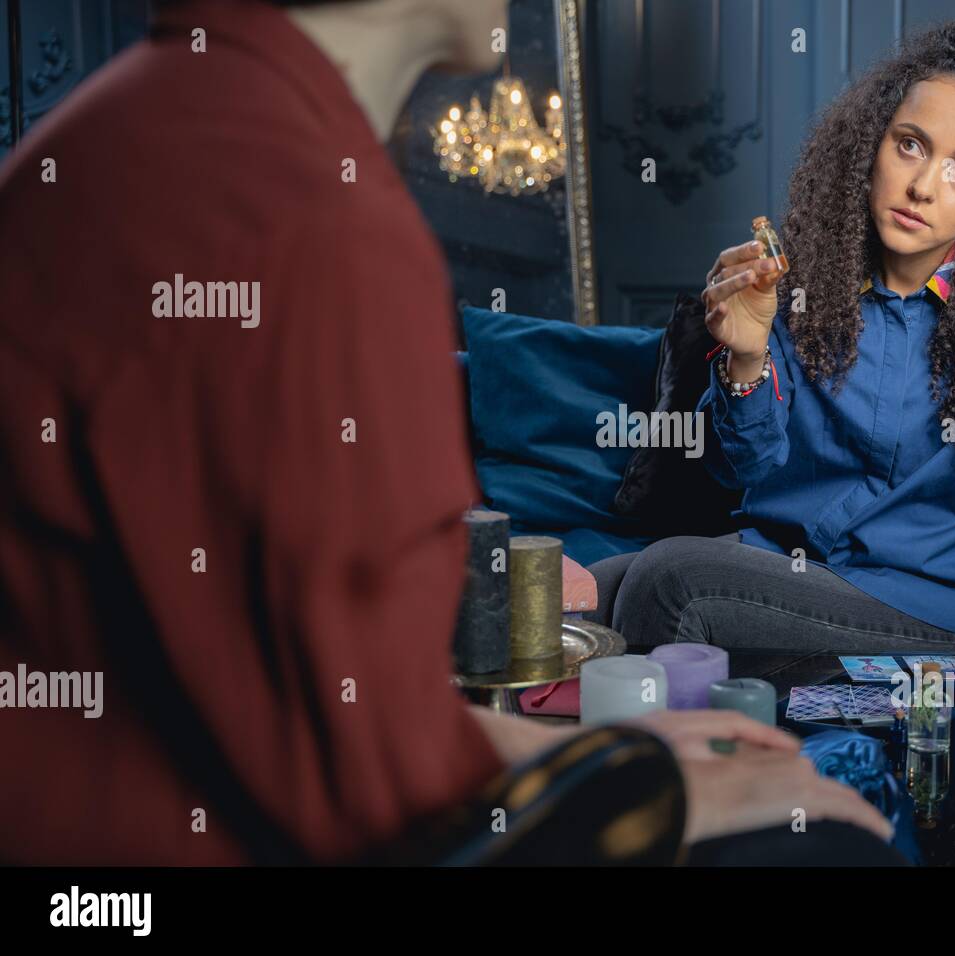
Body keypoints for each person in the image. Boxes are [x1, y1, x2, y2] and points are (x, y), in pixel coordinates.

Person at [0, 0, 894, 865]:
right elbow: (362, 785)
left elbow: (287, 690)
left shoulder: (139, 124)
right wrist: (648, 785)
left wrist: (579, 754)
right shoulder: (305, 208)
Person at [587, 21, 955, 691]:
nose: (924, 185)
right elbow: (739, 470)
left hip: (931, 605)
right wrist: (744, 359)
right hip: (787, 567)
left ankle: (702, 785)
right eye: (911, 145)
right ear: (873, 146)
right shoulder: (792, 285)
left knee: (670, 581)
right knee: (571, 598)